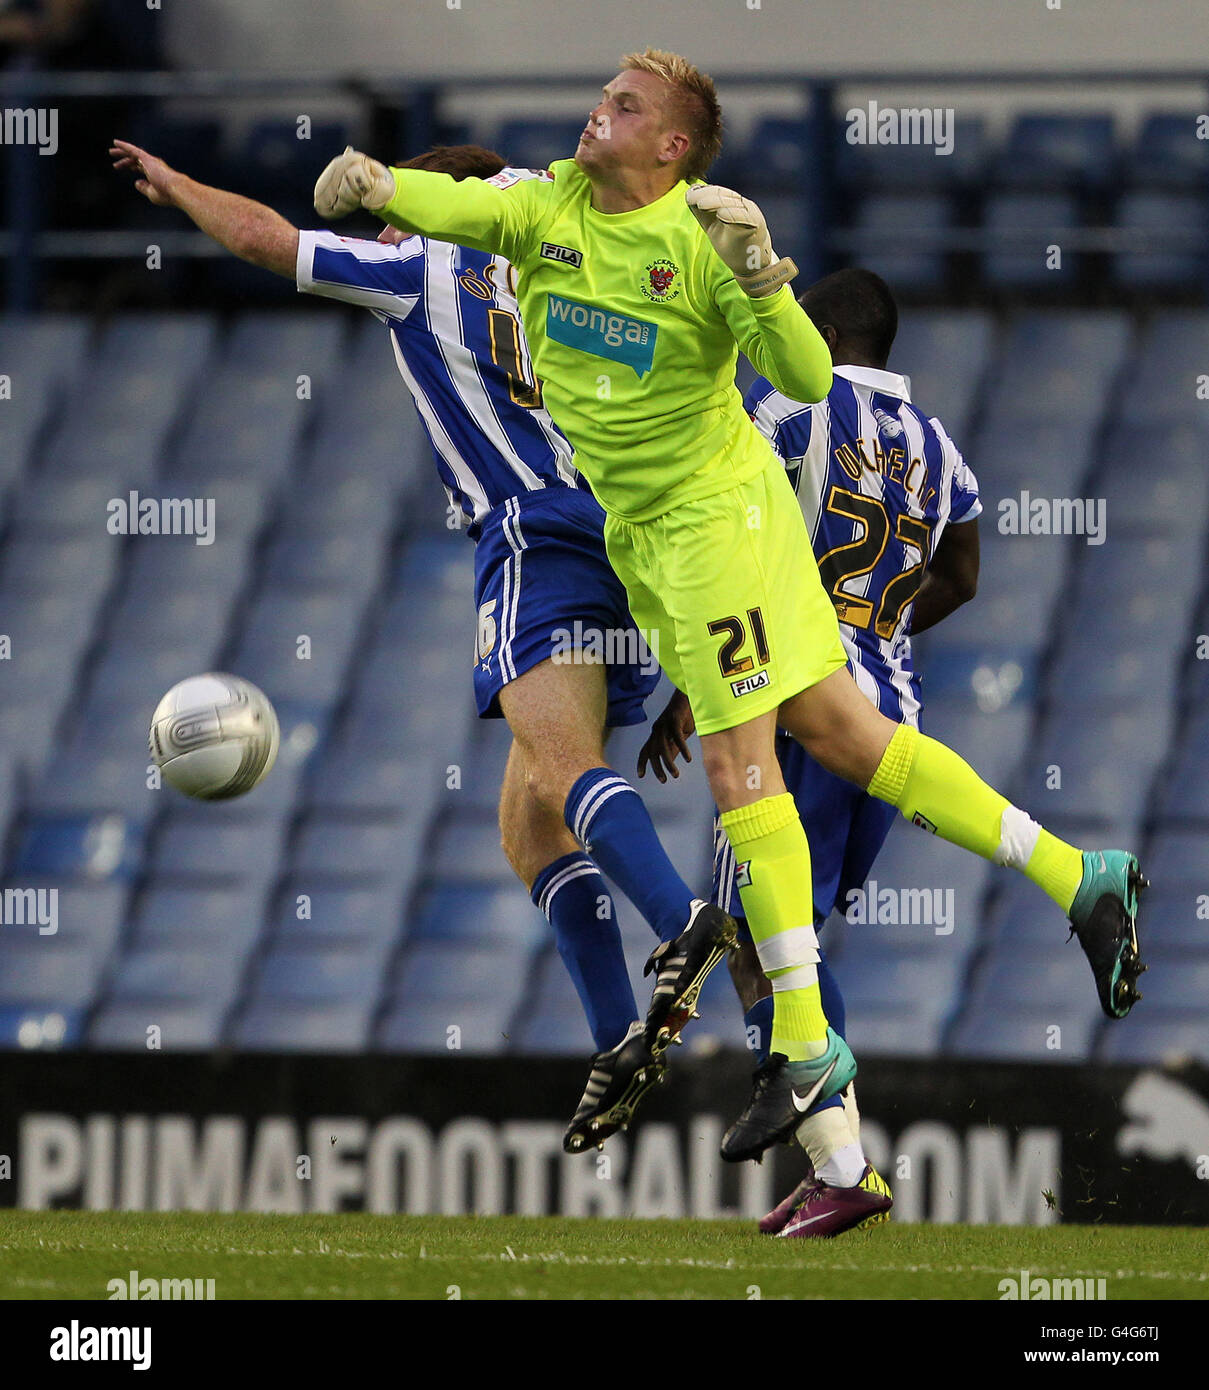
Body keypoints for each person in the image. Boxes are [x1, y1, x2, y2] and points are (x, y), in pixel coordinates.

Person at [313, 47, 1147, 1163]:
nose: (595, 111)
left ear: (670, 147)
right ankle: (1072, 877)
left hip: (717, 541)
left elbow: (795, 382)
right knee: (843, 741)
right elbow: (446, 200)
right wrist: (376, 188)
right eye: (601, 96)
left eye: (623, 104)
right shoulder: (559, 213)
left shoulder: (703, 241)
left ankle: (807, 1054)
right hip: (712, 564)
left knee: (739, 781)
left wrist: (758, 275)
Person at [110, 137, 738, 1151]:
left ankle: (680, 920)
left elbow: (273, 242)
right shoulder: (579, 236)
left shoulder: (418, 263)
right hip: (640, 531)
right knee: (531, 814)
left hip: (536, 528)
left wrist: (180, 185)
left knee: (564, 769)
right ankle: (621, 1037)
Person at [640, 267, 980, 1237]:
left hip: (794, 702)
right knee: (789, 933)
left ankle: (841, 1157)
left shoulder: (791, 409)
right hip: (889, 722)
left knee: (760, 930)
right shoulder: (938, 444)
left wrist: (689, 691)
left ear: (818, 329)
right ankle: (837, 1159)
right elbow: (965, 571)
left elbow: (732, 549)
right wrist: (880, 634)